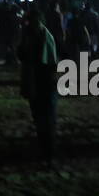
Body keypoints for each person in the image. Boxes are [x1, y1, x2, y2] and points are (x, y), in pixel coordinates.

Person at [18, 8, 59, 163]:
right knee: (38, 117)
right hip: (35, 81)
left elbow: (49, 63)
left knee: (46, 118)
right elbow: (21, 54)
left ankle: (49, 151)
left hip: (44, 82)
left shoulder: (44, 36)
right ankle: (45, 148)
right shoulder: (30, 35)